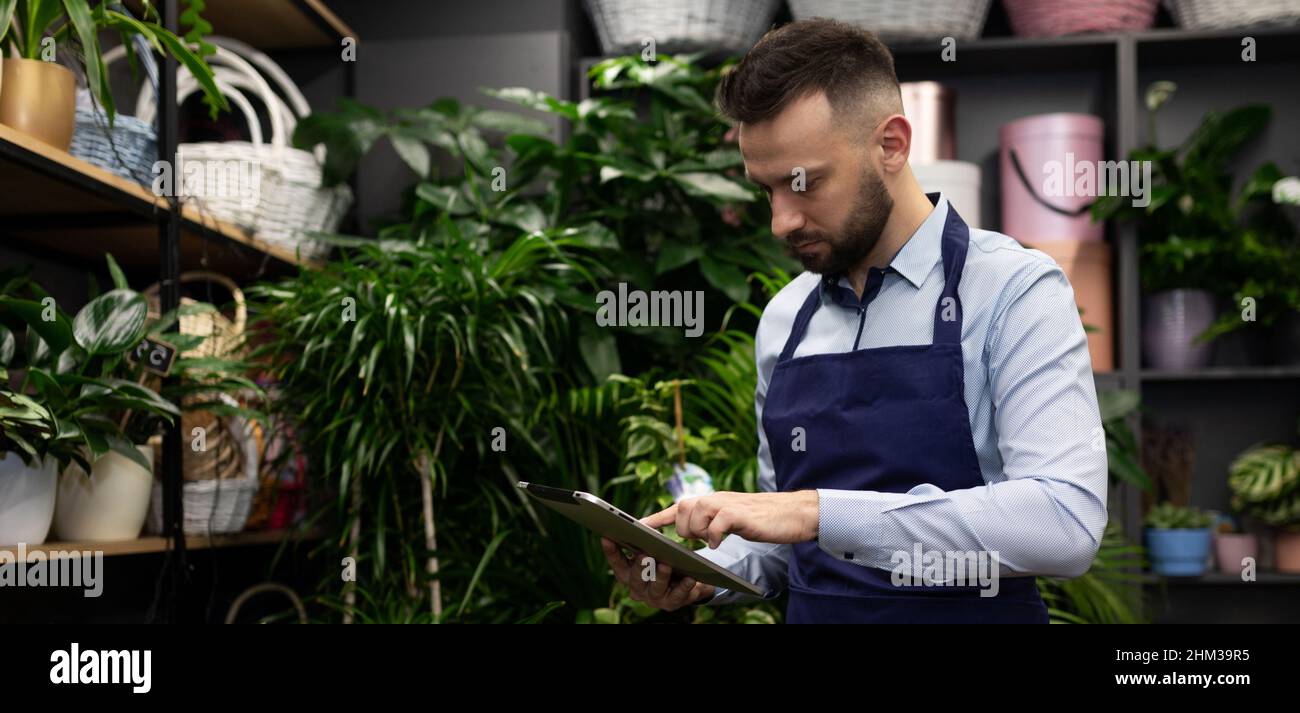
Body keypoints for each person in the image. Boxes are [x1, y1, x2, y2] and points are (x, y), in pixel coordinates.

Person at [601, 18, 1108, 624]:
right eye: (766, 190)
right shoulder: (785, 319)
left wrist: (817, 512)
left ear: (891, 144)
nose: (781, 222)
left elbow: (1064, 523)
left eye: (804, 184)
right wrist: (705, 577)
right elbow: (781, 550)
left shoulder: (1013, 291)